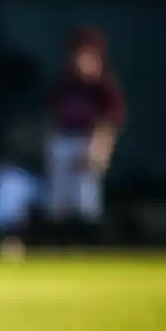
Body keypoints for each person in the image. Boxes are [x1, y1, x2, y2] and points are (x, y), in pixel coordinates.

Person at [43, 26, 126, 243]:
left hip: (89, 144)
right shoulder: (63, 83)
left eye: (88, 55)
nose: (82, 61)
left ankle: (89, 240)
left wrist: (98, 149)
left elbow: (109, 123)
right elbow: (50, 120)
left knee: (85, 194)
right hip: (63, 143)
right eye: (78, 55)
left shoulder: (105, 86)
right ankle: (57, 239)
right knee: (59, 197)